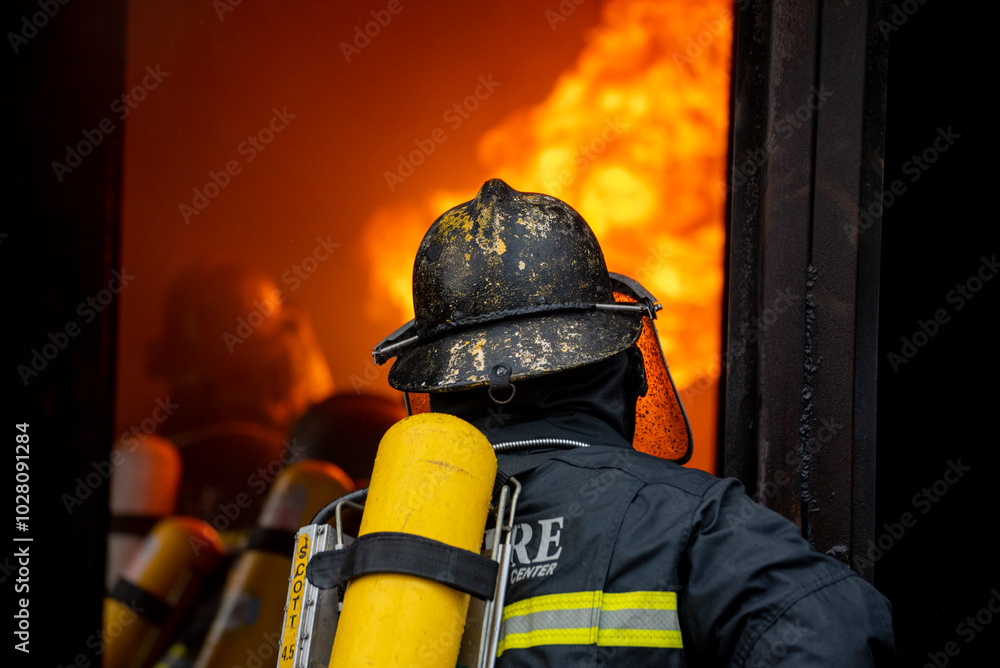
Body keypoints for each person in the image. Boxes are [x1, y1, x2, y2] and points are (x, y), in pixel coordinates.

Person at [372, 178, 895, 666]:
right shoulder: (686, 522)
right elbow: (835, 631)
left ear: (435, 385)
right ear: (630, 367)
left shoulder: (367, 541)